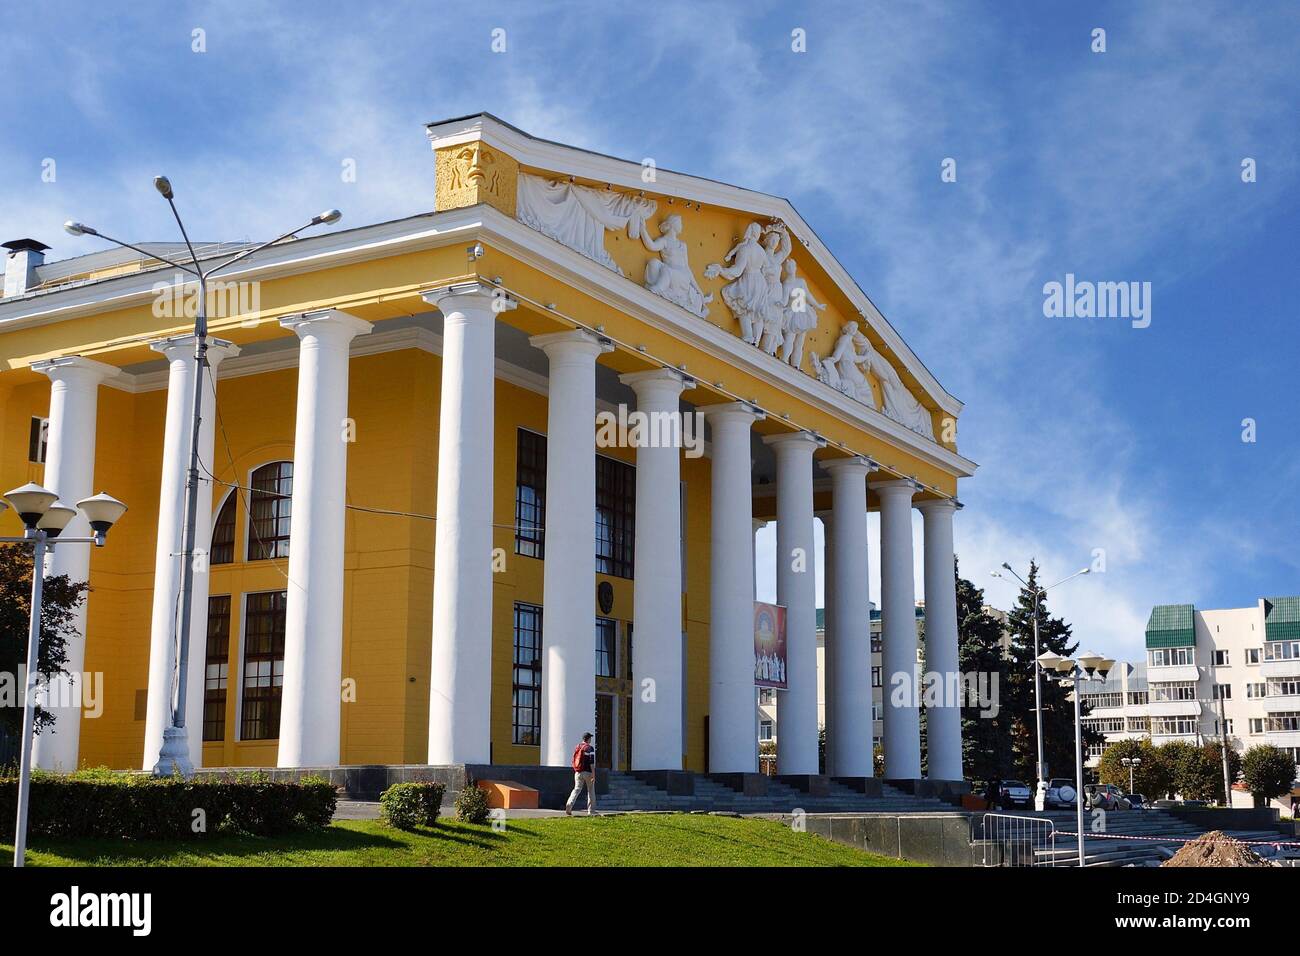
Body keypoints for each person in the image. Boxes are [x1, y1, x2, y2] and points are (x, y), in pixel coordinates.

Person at [565, 732, 597, 816]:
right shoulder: (590, 748)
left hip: (578, 772)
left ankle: (569, 804)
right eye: (590, 738)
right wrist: (593, 774)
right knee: (591, 791)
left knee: (576, 789)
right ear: (588, 739)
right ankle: (591, 811)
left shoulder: (578, 747)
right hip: (588, 772)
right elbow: (592, 763)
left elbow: (574, 759)